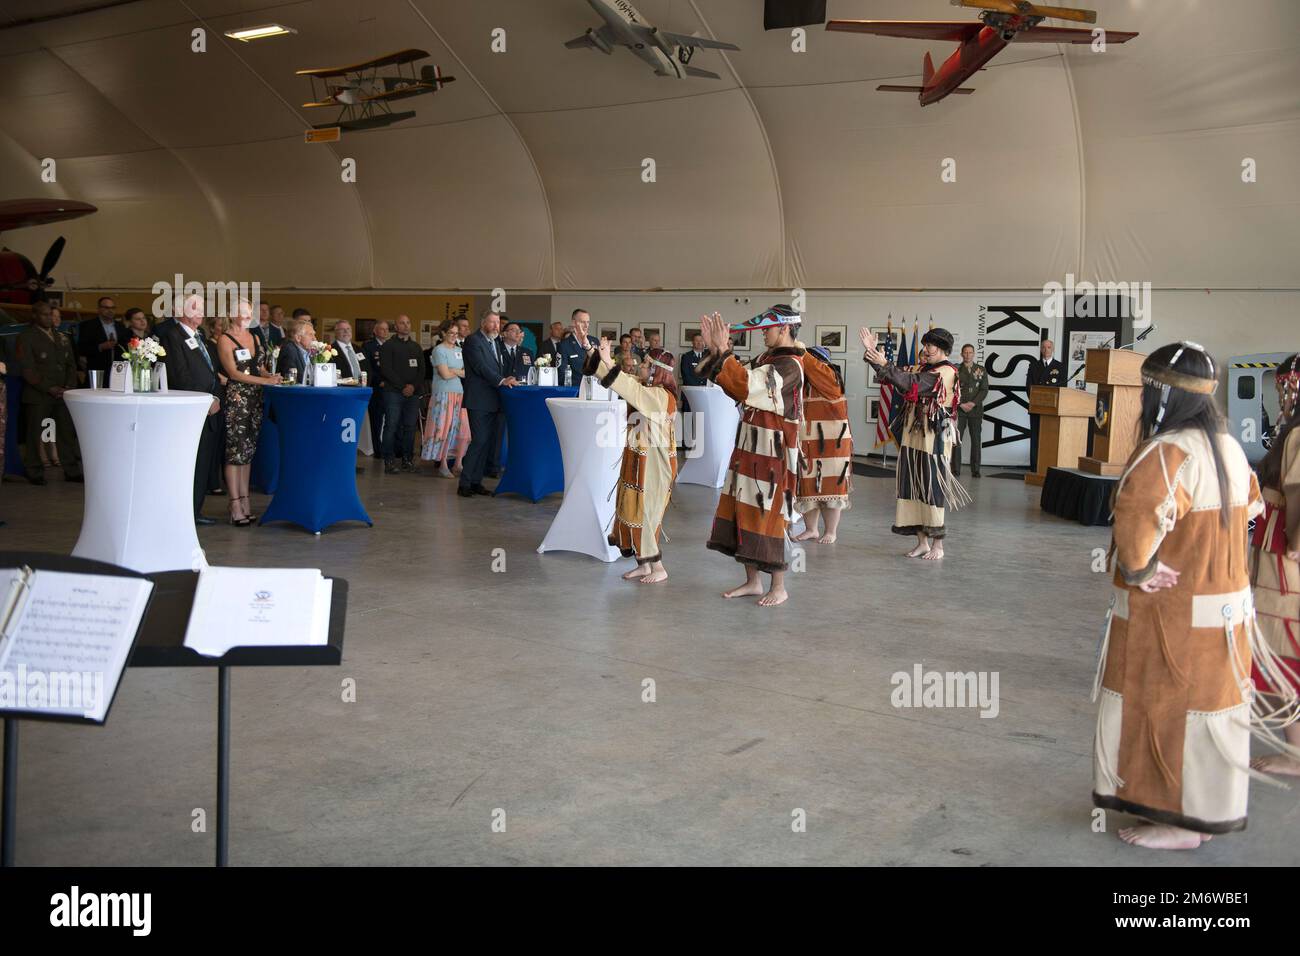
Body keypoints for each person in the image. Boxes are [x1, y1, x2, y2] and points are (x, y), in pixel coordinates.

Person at [1093, 342, 1298, 850]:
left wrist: (1142, 568)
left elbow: (1137, 521)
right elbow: (1252, 507)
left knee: (1166, 708)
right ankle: (1199, 818)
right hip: (1227, 605)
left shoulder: (1168, 451)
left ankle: (1179, 823)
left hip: (1173, 615)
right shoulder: (1225, 445)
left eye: (1147, 388)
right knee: (1210, 712)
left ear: (1162, 394)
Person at [699, 307, 804, 608]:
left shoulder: (790, 365)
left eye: (768, 328)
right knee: (745, 509)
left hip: (772, 453)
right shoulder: (767, 359)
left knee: (769, 515)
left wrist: (722, 350)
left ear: (784, 329)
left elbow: (746, 385)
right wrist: (715, 350)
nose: (763, 332)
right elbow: (735, 382)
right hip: (750, 446)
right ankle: (753, 581)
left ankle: (779, 586)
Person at [861, 325, 969, 560]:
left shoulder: (946, 372)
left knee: (932, 488)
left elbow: (912, 382)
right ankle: (922, 542)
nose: (925, 349)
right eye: (926, 345)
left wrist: (885, 364)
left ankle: (938, 545)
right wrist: (872, 354)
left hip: (934, 439)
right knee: (913, 484)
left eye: (930, 345)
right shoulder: (924, 368)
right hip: (914, 435)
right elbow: (896, 376)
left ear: (942, 349)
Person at [582, 338, 677, 585]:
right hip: (639, 458)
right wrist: (593, 352)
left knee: (647, 513)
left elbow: (627, 387)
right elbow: (622, 381)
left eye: (645, 363)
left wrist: (604, 359)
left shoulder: (661, 396)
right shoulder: (646, 388)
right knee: (631, 507)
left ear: (657, 370)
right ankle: (643, 564)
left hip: (655, 465)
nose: (639, 366)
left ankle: (658, 566)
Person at [1248, 352, 1300, 776]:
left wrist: (1296, 544)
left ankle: (1296, 752)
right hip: (1278, 545)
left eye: (1285, 386)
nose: (1282, 394)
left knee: (1283, 647)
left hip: (1285, 556)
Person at [158, 294, 222, 526]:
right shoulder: (172, 336)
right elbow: (179, 376)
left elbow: (210, 370)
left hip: (208, 407)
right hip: (191, 410)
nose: (201, 311)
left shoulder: (199, 335)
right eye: (196, 307)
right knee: (190, 465)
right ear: (179, 310)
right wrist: (204, 400)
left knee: (203, 464)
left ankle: (195, 510)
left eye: (203, 307)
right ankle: (185, 513)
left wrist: (215, 396)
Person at [218, 299, 280, 525]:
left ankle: (245, 500)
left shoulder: (255, 337)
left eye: (248, 312)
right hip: (237, 399)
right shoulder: (225, 339)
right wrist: (264, 381)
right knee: (235, 452)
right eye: (242, 312)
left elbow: (259, 366)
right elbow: (233, 373)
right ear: (232, 314)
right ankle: (234, 503)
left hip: (256, 400)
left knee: (248, 452)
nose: (246, 316)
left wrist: (272, 377)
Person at [16, 301, 82, 485]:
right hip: (39, 394)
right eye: (45, 315)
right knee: (34, 433)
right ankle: (34, 471)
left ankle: (71, 470)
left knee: (65, 433)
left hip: (62, 393)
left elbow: (71, 365)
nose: (50, 318)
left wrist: (68, 386)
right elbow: (27, 369)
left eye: (52, 315)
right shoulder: (26, 337)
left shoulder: (61, 337)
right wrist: (49, 388)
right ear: (35, 316)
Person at [793, 345, 853, 544]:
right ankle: (811, 529)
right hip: (808, 441)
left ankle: (831, 531)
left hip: (833, 444)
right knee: (808, 485)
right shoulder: (803, 382)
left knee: (831, 487)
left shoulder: (830, 377)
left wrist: (801, 351)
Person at [459, 311, 517, 497]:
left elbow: (498, 366)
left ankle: (476, 482)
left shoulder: (495, 343)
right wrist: (501, 380)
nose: (495, 326)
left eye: (497, 322)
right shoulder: (473, 341)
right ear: (482, 322)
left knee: (487, 443)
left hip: (493, 400)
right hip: (478, 400)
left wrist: (506, 378)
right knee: (479, 441)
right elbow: (480, 367)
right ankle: (464, 483)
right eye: (491, 322)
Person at [378, 314, 426, 474]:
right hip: (393, 393)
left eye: (408, 322)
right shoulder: (388, 346)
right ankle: (389, 460)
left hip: (413, 394)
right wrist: (402, 387)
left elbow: (422, 370)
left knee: (410, 427)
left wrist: (412, 386)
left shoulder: (416, 347)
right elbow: (386, 369)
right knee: (391, 426)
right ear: (396, 327)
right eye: (402, 323)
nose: (406, 326)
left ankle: (407, 459)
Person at [422, 319, 469, 478]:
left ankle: (458, 463)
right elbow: (444, 374)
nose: (454, 336)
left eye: (456, 333)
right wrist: (456, 371)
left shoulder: (459, 350)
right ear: (443, 333)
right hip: (443, 394)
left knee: (463, 432)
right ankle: (442, 464)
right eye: (451, 333)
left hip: (459, 393)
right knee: (444, 429)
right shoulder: (438, 350)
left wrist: (453, 370)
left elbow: (465, 372)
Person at [1026, 338, 1064, 471]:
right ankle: (1035, 466)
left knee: (1051, 437)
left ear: (1052, 349)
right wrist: (1037, 401)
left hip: (1052, 410)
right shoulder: (1034, 365)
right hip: (1036, 408)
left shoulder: (1059, 366)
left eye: (1048, 347)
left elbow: (1062, 388)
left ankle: (1049, 465)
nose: (1046, 350)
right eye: (1043, 347)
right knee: (1035, 438)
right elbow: (1028, 387)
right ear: (1041, 349)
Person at [952, 343, 988, 478]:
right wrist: (961, 404)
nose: (967, 355)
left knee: (976, 440)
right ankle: (955, 469)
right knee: (957, 440)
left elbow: (984, 390)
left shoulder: (981, 370)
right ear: (961, 354)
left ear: (974, 354)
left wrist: (972, 403)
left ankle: (976, 469)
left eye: (970, 352)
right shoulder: (956, 370)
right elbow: (951, 390)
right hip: (960, 410)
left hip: (975, 410)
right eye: (965, 352)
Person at [77, 295, 129, 377]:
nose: (110, 310)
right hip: (97, 370)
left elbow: (125, 346)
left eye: (112, 308)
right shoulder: (88, 326)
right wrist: (100, 347)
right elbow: (82, 349)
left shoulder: (120, 326)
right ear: (99, 309)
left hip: (118, 371)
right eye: (106, 308)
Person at [362, 321, 390, 455]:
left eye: (387, 329)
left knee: (390, 420)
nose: (385, 331)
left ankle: (390, 447)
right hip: (378, 388)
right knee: (377, 420)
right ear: (375, 331)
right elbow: (368, 368)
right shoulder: (368, 346)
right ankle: (377, 449)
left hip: (392, 388)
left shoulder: (391, 345)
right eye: (382, 329)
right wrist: (379, 382)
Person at [557, 309, 599, 387]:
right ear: (573, 322)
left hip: (595, 389)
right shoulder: (564, 345)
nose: (586, 325)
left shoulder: (594, 341)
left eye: (588, 322)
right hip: (575, 391)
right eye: (583, 322)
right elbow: (561, 374)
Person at [277, 317, 315, 386]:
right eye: (310, 334)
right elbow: (291, 380)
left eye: (314, 334)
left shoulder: (310, 352)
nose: (314, 338)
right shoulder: (289, 350)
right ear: (298, 338)